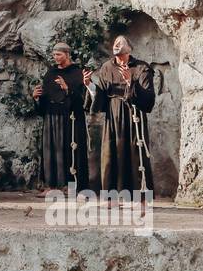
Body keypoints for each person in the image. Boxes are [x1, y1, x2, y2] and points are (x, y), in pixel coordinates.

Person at [86, 35, 156, 200]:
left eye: (120, 42)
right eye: (114, 42)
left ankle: (139, 197)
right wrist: (89, 85)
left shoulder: (142, 68)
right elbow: (101, 96)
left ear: (129, 48)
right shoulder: (106, 67)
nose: (116, 44)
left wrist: (131, 83)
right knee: (110, 155)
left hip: (134, 117)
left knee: (135, 154)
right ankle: (112, 197)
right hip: (113, 115)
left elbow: (149, 98)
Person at [33, 41, 91, 192]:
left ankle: (68, 185)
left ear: (67, 54)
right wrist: (36, 97)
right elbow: (45, 95)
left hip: (69, 118)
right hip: (51, 116)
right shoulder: (51, 72)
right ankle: (50, 185)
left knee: (67, 150)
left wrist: (67, 89)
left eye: (58, 54)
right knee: (50, 151)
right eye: (54, 55)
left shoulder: (77, 73)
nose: (55, 57)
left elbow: (83, 100)